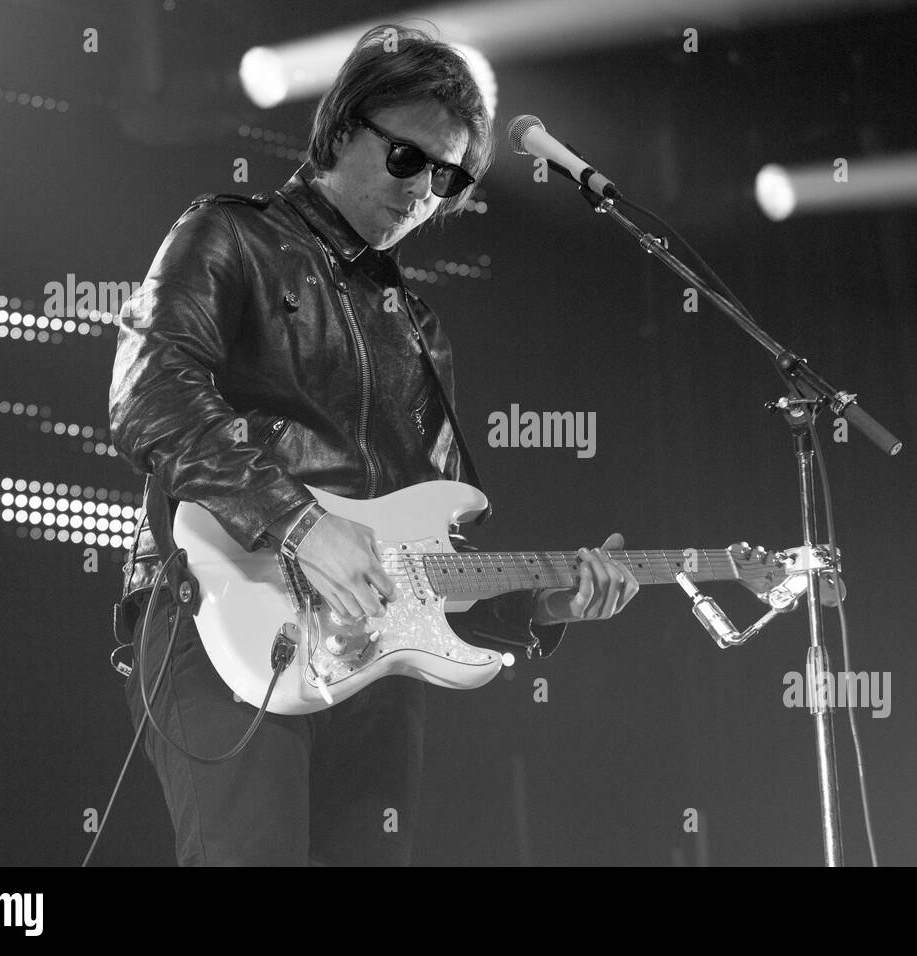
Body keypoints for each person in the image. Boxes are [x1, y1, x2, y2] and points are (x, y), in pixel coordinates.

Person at [107, 24, 639, 866]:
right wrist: (297, 523)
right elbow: (150, 396)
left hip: (373, 658)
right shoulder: (229, 236)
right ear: (343, 125)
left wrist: (537, 607)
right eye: (407, 159)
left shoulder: (418, 329)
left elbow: (428, 554)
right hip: (222, 618)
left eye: (449, 177)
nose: (425, 190)